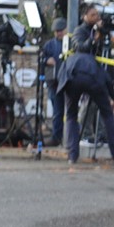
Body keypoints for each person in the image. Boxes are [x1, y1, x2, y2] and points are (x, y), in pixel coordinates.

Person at [56, 20, 114, 166]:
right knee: (107, 115)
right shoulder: (93, 61)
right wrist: (113, 100)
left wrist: (61, 92)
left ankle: (72, 155)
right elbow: (108, 79)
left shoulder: (71, 58)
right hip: (93, 79)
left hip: (71, 78)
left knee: (71, 116)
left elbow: (60, 76)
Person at [39, 18, 68, 147]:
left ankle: (66, 137)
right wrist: (46, 60)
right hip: (54, 82)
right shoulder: (49, 45)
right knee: (57, 111)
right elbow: (41, 58)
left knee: (69, 112)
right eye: (56, 31)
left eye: (60, 31)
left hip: (67, 81)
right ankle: (57, 137)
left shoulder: (70, 43)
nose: (58, 34)